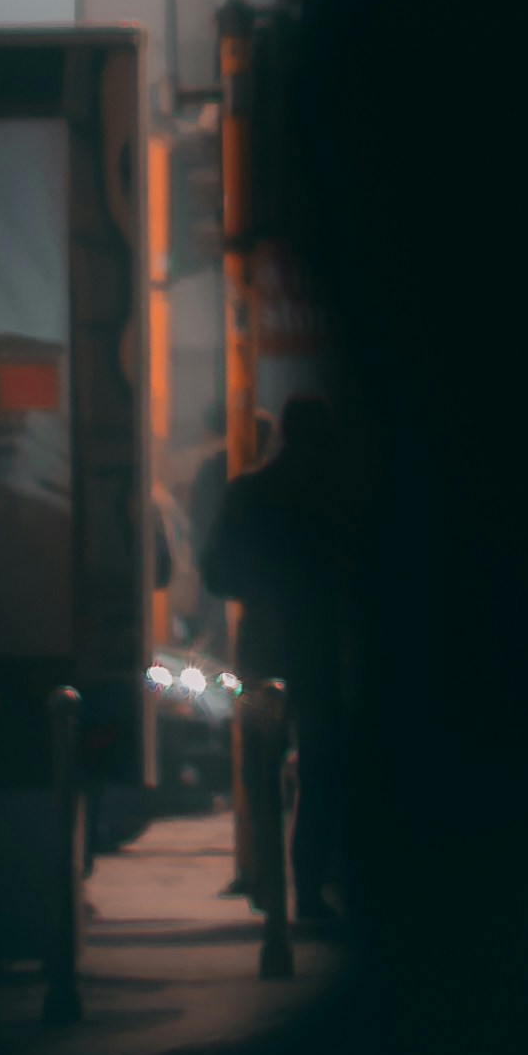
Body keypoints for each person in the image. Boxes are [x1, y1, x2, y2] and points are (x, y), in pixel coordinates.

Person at [197, 393, 365, 922]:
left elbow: (214, 571)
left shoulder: (248, 492)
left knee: (261, 770)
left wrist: (259, 588)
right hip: (322, 648)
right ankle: (309, 890)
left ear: (282, 433)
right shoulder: (342, 498)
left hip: (262, 647)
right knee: (321, 772)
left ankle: (266, 884)